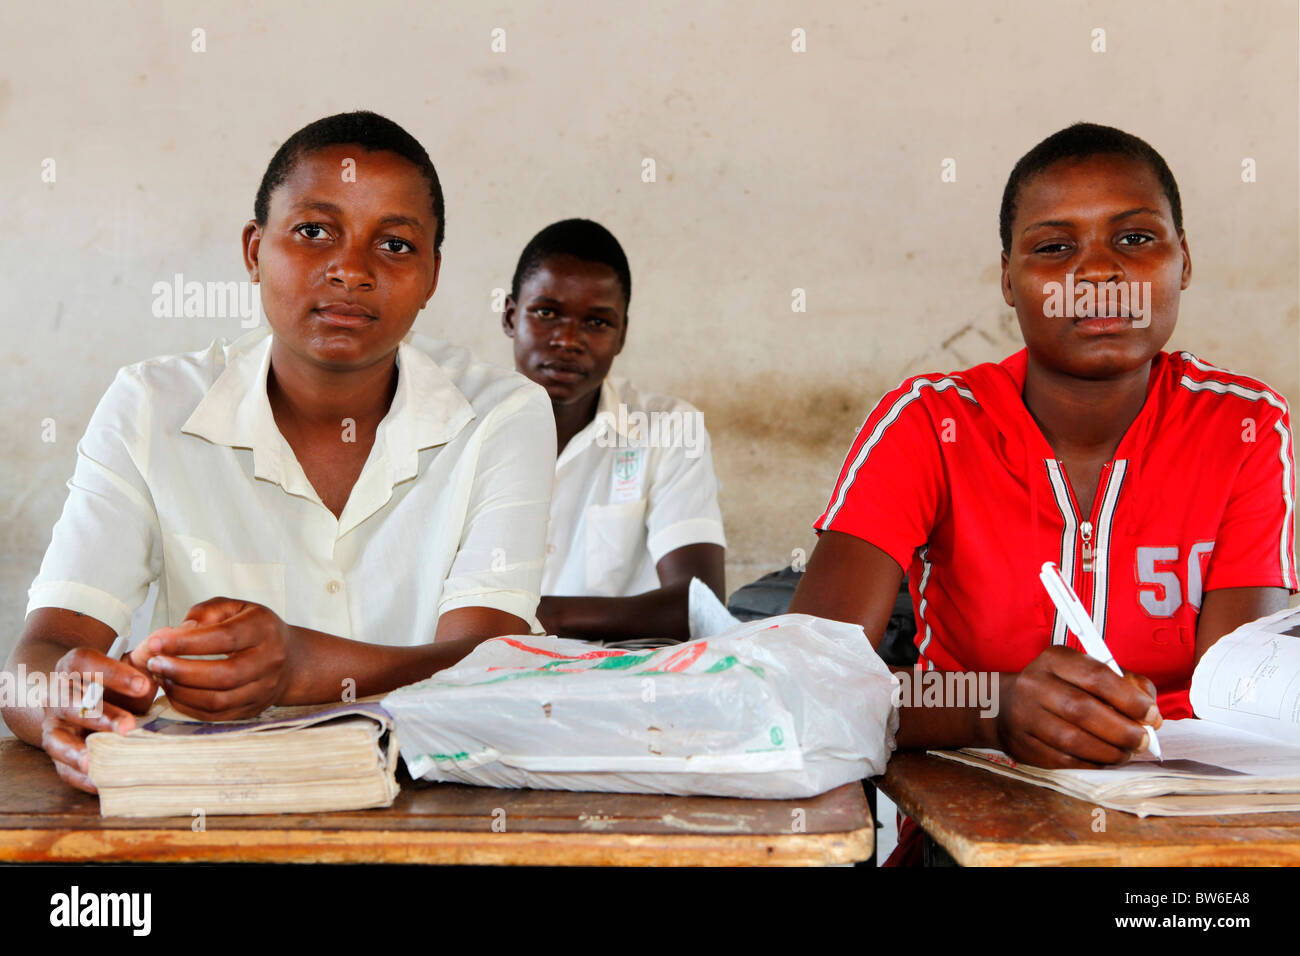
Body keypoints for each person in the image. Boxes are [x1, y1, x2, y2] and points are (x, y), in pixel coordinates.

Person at [2, 111, 555, 792]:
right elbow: (38, 654)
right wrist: (61, 699)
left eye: (395, 245)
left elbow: (489, 663)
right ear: (254, 250)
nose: (350, 270)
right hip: (203, 812)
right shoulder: (151, 407)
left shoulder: (502, 415)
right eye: (313, 232)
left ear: (433, 275)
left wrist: (302, 668)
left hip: (432, 809)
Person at [791, 122, 1295, 774]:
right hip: (974, 819)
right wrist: (989, 710)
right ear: (1009, 281)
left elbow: (1242, 700)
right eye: (1055, 247)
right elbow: (805, 679)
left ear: (1184, 261)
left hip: (1180, 813)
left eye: (1135, 239)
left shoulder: (1244, 425)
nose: (1098, 272)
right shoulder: (931, 425)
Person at [502, 219, 726, 642]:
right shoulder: (459, 428)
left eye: (597, 322)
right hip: (476, 675)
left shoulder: (667, 429)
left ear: (622, 335)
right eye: (547, 313)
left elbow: (698, 605)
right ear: (511, 316)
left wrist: (529, 619)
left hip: (623, 683)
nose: (568, 339)